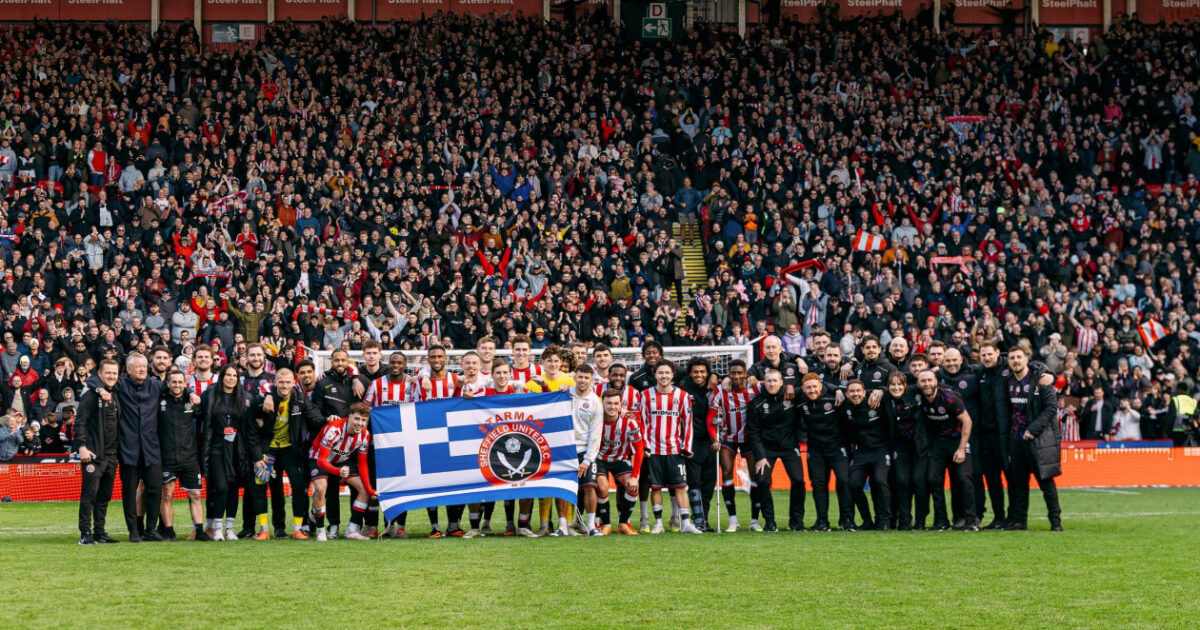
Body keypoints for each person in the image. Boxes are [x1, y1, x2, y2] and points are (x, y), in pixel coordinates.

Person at [248, 367, 329, 541]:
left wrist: (329, 420)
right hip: (268, 450)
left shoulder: (299, 399)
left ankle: (298, 529)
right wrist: (256, 457)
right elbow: (251, 430)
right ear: (275, 383)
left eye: (288, 382)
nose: (284, 386)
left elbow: (315, 418)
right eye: (281, 382)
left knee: (299, 487)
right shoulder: (261, 401)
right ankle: (265, 529)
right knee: (263, 487)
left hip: (290, 451)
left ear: (294, 383)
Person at [97, 352, 168, 542]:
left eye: (144, 366)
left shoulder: (155, 385)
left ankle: (151, 529)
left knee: (155, 490)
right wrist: (100, 390)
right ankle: (133, 530)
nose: (143, 369)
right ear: (128, 370)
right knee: (129, 493)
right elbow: (93, 379)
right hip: (129, 450)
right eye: (138, 366)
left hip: (152, 449)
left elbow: (175, 387)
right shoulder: (120, 384)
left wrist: (191, 393)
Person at [1000, 346, 1063, 531]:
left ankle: (1056, 522)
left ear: (1026, 360)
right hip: (1016, 440)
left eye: (1019, 357)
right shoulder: (1008, 382)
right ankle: (1020, 521)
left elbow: (1050, 408)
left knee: (1046, 482)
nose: (1015, 361)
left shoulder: (1041, 380)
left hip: (1037, 440)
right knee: (1018, 484)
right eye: (1012, 358)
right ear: (1008, 362)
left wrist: (1032, 430)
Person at [638, 360, 703, 534]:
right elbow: (642, 422)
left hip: (674, 450)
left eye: (667, 372)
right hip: (653, 450)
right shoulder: (645, 395)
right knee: (656, 487)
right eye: (660, 373)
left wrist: (686, 446)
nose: (664, 376)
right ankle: (658, 523)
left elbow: (687, 423)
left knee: (680, 486)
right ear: (655, 375)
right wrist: (645, 446)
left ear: (673, 374)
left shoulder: (682, 396)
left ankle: (686, 523)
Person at [916, 369, 978, 531]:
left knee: (964, 479)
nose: (927, 384)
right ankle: (941, 521)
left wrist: (962, 448)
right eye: (923, 381)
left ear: (936, 381)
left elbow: (967, 421)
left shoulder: (949, 397)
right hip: (938, 443)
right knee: (933, 479)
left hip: (958, 441)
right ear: (918, 384)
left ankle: (971, 520)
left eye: (930, 380)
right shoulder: (918, 397)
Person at [747, 369, 806, 532]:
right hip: (767, 449)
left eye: (775, 381)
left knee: (798, 480)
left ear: (781, 382)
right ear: (764, 383)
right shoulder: (756, 403)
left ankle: (796, 522)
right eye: (769, 381)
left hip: (789, 447)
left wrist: (837, 391)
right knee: (762, 481)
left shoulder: (791, 396)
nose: (772, 384)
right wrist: (760, 456)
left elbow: (812, 386)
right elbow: (753, 432)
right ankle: (769, 522)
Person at [309, 403, 376, 541]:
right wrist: (337, 471)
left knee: (364, 490)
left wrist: (370, 489)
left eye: (364, 420)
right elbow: (321, 460)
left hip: (342, 461)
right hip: (319, 458)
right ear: (349, 417)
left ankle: (351, 531)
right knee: (320, 489)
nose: (360, 423)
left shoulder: (365, 435)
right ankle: (320, 531)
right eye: (357, 418)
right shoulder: (334, 430)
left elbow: (362, 464)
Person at [549, 364, 602, 536]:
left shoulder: (595, 402)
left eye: (586, 378)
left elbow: (596, 433)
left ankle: (591, 526)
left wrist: (588, 459)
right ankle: (562, 526)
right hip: (564, 450)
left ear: (592, 380)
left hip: (583, 451)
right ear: (575, 377)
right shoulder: (564, 394)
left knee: (589, 487)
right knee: (562, 488)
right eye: (580, 377)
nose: (583, 380)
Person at [200, 365, 252, 541]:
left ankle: (229, 529)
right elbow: (198, 411)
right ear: (222, 377)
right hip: (217, 447)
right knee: (221, 486)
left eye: (234, 375)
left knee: (233, 487)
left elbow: (253, 417)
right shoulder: (210, 394)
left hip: (237, 448)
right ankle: (217, 529)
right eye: (228, 375)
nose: (231, 378)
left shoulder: (244, 397)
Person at [795, 372, 853, 531]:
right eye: (808, 388)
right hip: (816, 449)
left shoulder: (834, 398)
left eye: (815, 386)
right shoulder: (800, 402)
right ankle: (822, 521)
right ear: (803, 389)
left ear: (821, 386)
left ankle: (846, 520)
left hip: (837, 447)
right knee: (818, 484)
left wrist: (837, 390)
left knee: (844, 481)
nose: (812, 390)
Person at [711, 359, 761, 532]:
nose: (737, 376)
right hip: (728, 437)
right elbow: (711, 416)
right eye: (733, 373)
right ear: (728, 374)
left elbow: (773, 385)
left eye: (740, 373)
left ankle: (755, 521)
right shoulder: (720, 390)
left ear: (746, 374)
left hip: (750, 438)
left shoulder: (756, 387)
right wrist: (714, 438)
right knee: (726, 472)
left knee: (755, 475)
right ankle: (733, 520)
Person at [75, 359, 121, 545]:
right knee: (89, 496)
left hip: (111, 455)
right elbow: (80, 422)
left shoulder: (116, 394)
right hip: (93, 455)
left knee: (104, 497)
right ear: (100, 374)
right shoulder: (90, 396)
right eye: (108, 372)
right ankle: (85, 533)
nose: (111, 376)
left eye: (114, 373)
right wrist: (82, 446)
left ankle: (100, 532)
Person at [157, 368, 206, 541]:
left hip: (189, 457)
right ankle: (169, 531)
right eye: (174, 382)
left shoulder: (191, 400)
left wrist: (192, 394)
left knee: (195, 495)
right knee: (167, 495)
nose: (177, 385)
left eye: (180, 382)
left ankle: (199, 531)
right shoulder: (160, 400)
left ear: (185, 383)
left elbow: (204, 419)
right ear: (168, 383)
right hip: (167, 457)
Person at [595, 388, 646, 535]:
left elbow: (639, 450)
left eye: (616, 403)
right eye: (609, 403)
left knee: (632, 486)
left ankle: (623, 524)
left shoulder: (630, 423)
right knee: (603, 487)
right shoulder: (595, 421)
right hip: (599, 459)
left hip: (620, 459)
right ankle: (606, 525)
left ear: (620, 405)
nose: (612, 407)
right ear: (602, 404)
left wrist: (634, 477)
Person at [844, 380, 893, 530]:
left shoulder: (875, 402)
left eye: (858, 391)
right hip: (862, 452)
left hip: (881, 450)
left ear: (864, 392)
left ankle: (885, 520)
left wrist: (882, 389)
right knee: (853, 484)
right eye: (852, 391)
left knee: (880, 481)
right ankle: (867, 521)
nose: (855, 394)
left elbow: (894, 390)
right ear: (847, 394)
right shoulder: (846, 407)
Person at [883, 371, 926, 530]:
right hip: (900, 447)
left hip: (919, 446)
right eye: (892, 385)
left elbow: (933, 385)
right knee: (901, 481)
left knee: (919, 482)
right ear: (887, 387)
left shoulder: (914, 394)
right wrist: (878, 390)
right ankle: (904, 520)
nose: (896, 388)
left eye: (899, 384)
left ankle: (920, 521)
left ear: (905, 385)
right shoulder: (885, 399)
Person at [681, 357, 719, 531]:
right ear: (690, 373)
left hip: (711, 442)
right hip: (692, 442)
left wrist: (717, 375)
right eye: (695, 372)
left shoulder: (714, 387)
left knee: (709, 483)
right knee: (694, 482)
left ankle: (705, 519)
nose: (699, 375)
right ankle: (698, 520)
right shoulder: (683, 387)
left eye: (702, 372)